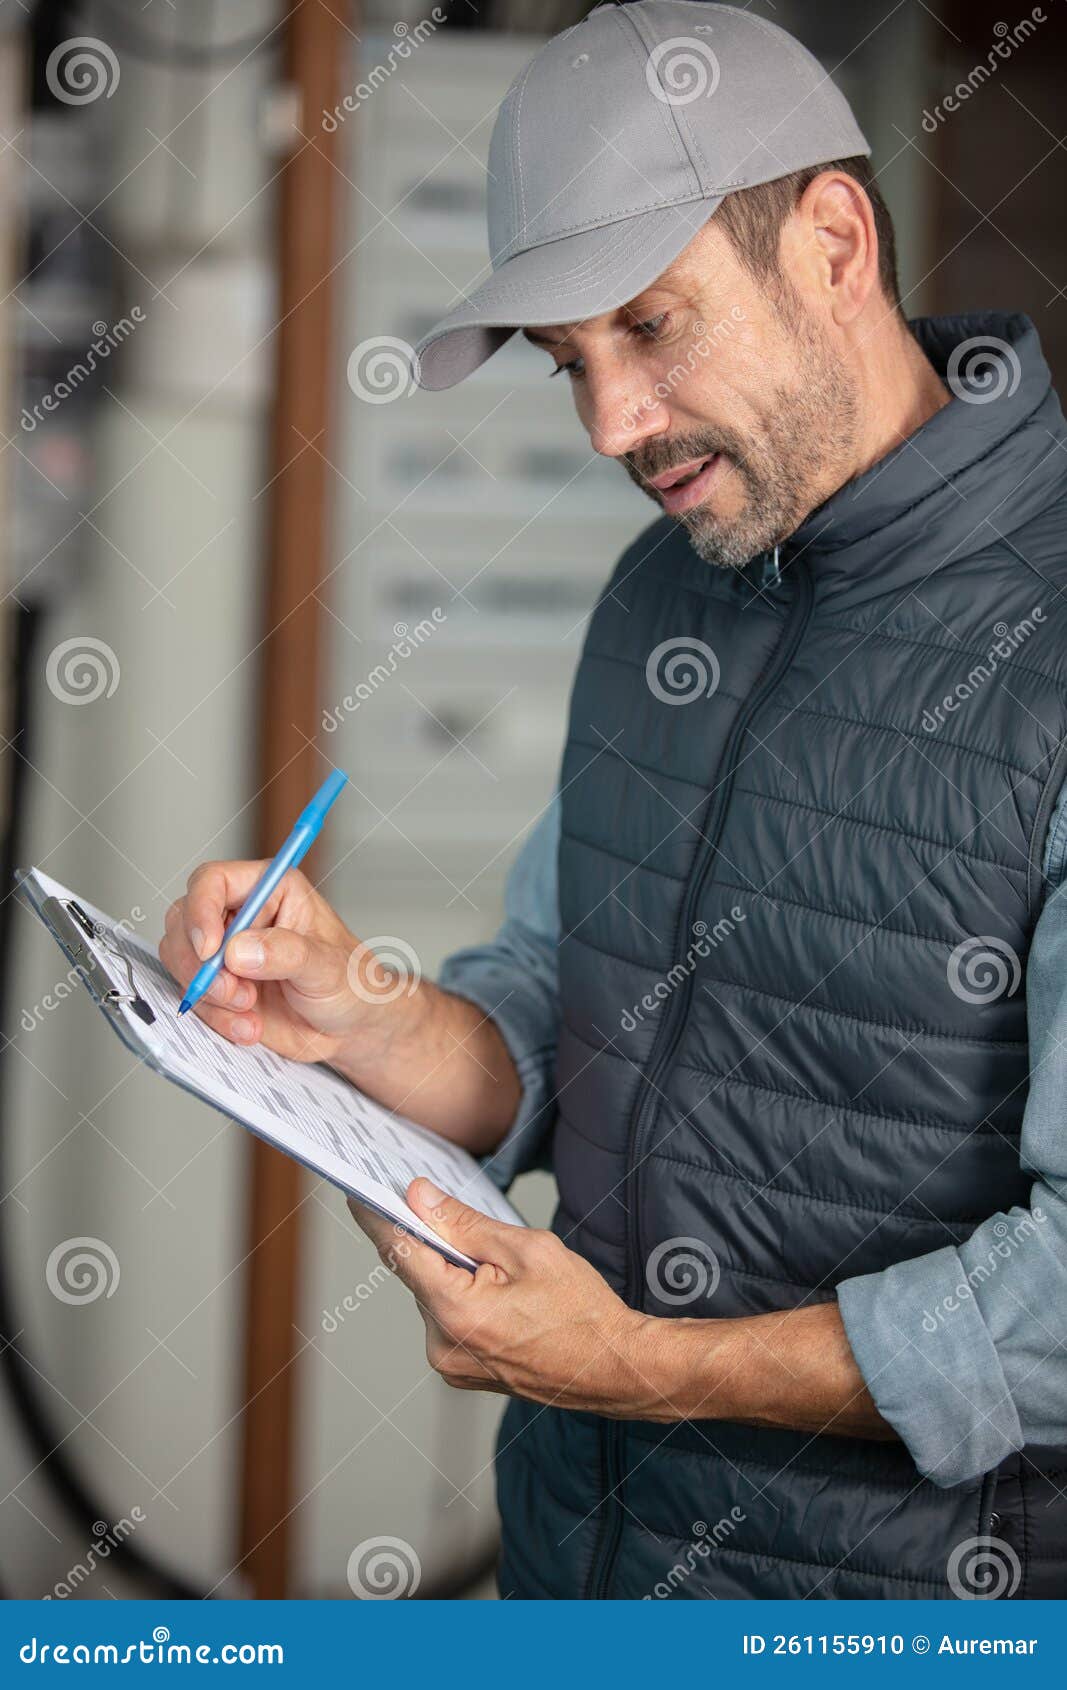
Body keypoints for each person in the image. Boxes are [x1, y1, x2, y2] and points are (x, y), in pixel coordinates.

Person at [160, 3, 1067, 1599]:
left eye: (651, 326)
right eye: (572, 361)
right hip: (577, 1579)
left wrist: (645, 1364)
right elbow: (553, 1009)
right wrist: (355, 1010)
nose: (608, 426)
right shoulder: (662, 599)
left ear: (835, 244)